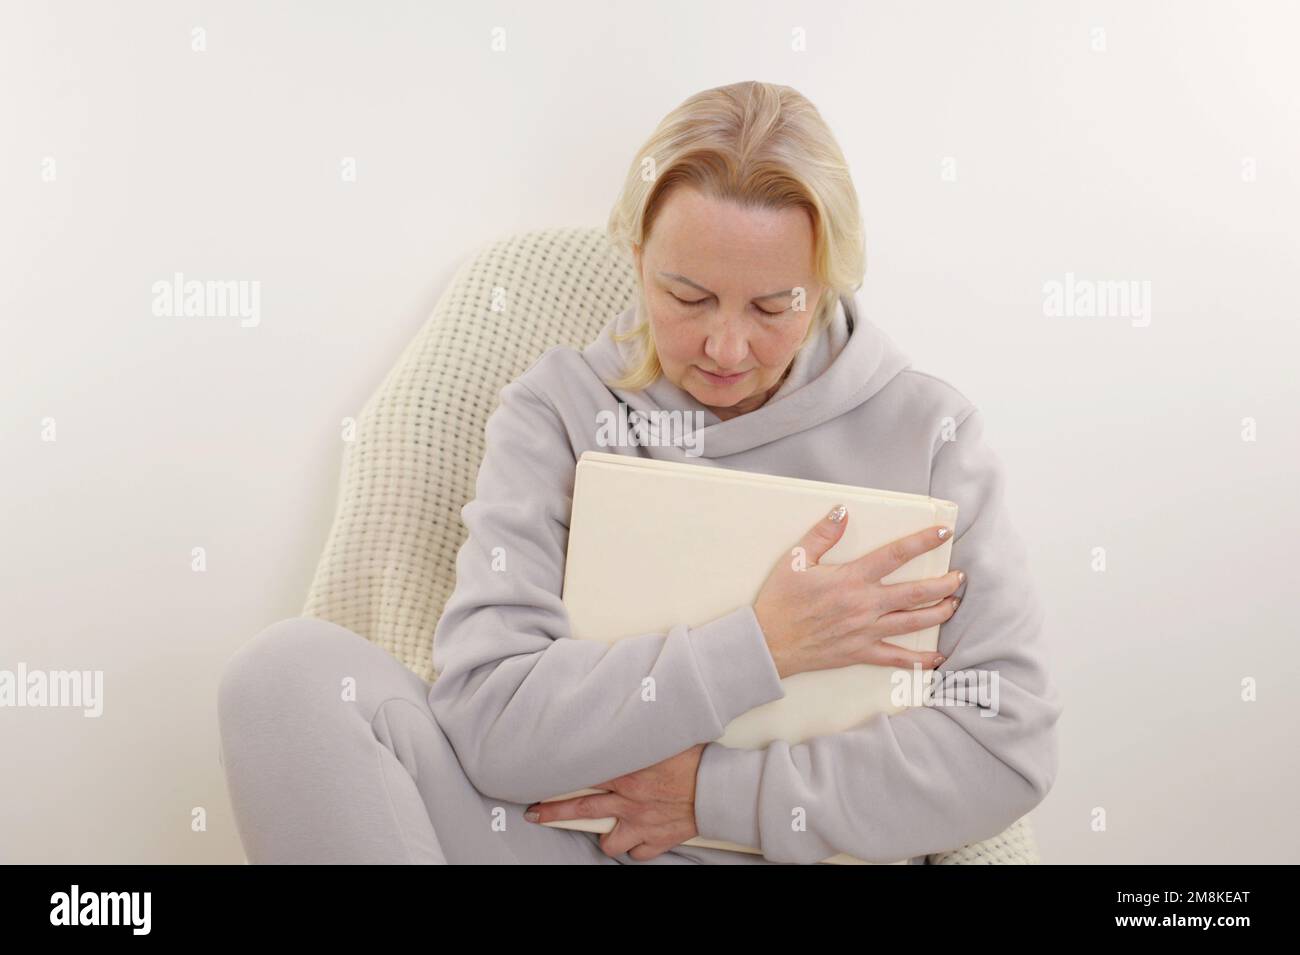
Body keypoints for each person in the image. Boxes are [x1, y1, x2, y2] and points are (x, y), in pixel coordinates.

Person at [217, 80, 1063, 865]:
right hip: (564, 840)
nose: (726, 348)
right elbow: (490, 722)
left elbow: (1005, 747)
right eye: (687, 296)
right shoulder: (557, 410)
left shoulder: (928, 434)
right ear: (633, 255)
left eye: (774, 307)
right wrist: (761, 642)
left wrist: (710, 795)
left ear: (827, 283)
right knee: (286, 676)